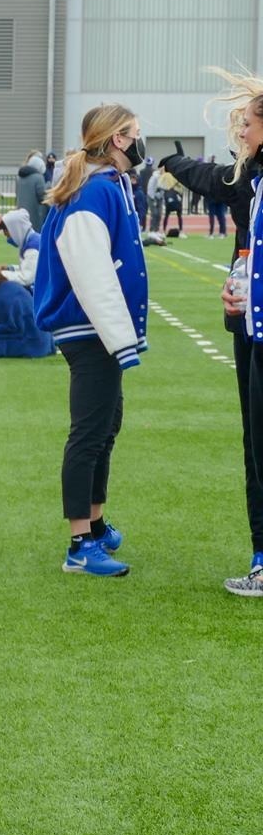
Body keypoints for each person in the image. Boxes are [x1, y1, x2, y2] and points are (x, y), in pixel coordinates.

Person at [33, 104, 149, 577]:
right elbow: (92, 273)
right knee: (88, 432)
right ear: (118, 140)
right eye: (136, 133)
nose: (142, 141)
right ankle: (80, 544)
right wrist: (121, 341)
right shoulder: (94, 191)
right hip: (90, 330)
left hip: (96, 330)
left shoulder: (106, 185)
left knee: (105, 426)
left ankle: (95, 526)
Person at [159, 74, 263, 594]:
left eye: (248, 123)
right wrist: (239, 281)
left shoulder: (248, 180)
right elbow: (207, 175)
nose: (240, 131)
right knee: (254, 442)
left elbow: (208, 177)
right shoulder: (252, 178)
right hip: (249, 320)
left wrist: (171, 163)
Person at [0, 266, 51, 358]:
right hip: (44, 339)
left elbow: (9, 328)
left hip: (32, 343)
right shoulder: (13, 287)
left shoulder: (0, 297)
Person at [0, 207, 41, 287]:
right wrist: (8, 268)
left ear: (16, 230)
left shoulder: (32, 248)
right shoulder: (30, 240)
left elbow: (26, 278)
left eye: (8, 235)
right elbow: (29, 268)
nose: (8, 239)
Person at [15, 151, 46, 225]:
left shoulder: (19, 177)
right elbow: (42, 197)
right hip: (34, 214)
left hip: (20, 211)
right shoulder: (39, 177)